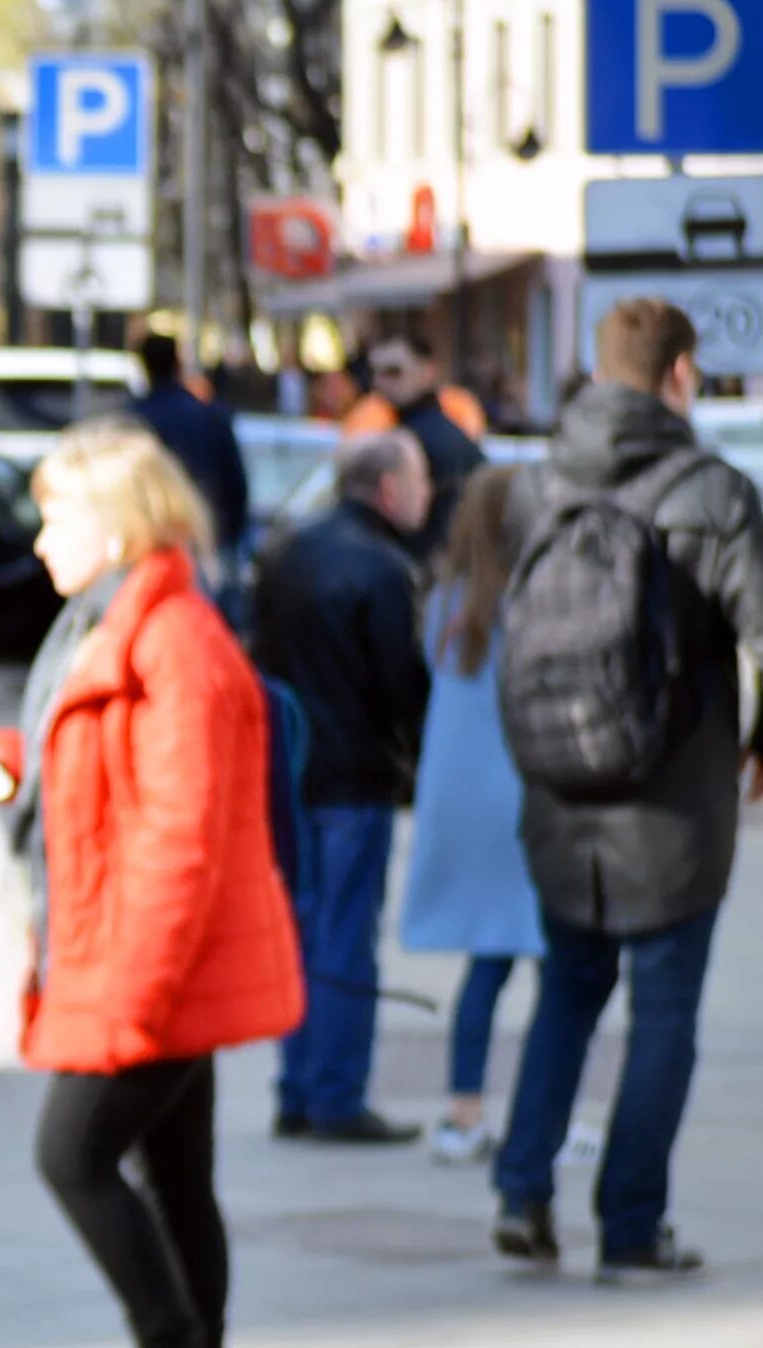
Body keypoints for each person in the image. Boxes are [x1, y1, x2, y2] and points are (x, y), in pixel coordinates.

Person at [0, 419, 301, 1348]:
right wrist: (10, 757)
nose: (38, 540)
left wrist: (138, 992)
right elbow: (104, 766)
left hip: (149, 958)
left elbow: (182, 839)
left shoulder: (173, 642)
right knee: (176, 1174)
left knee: (71, 1156)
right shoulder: (109, 623)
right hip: (130, 947)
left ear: (115, 523)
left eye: (56, 515)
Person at [489, 298, 763, 1280]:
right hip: (673, 803)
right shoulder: (711, 492)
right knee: (663, 1016)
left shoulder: (534, 485)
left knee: (567, 995)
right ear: (682, 373)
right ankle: (630, 1227)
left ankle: (521, 1191)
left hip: (559, 795)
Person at [256, 431, 435, 1144]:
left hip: (291, 768)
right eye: (420, 481)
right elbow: (404, 688)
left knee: (300, 928)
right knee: (343, 935)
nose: (428, 496)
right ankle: (333, 1094)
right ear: (388, 489)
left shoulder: (289, 551)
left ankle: (299, 1088)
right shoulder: (385, 569)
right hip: (353, 774)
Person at [399, 464, 546, 1167]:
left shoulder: (447, 600)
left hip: (465, 798)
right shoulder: (536, 598)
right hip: (530, 793)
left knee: (487, 963)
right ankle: (552, 1106)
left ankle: (464, 1108)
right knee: (559, 966)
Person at [128, 332, 251, 564]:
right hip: (207, 539)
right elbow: (235, 482)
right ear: (177, 364)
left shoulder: (133, 420)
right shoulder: (208, 415)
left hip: (155, 543)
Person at [364, 333, 486, 553]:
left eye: (394, 372)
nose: (380, 383)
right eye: (376, 373)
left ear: (427, 371)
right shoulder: (445, 432)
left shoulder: (418, 439)